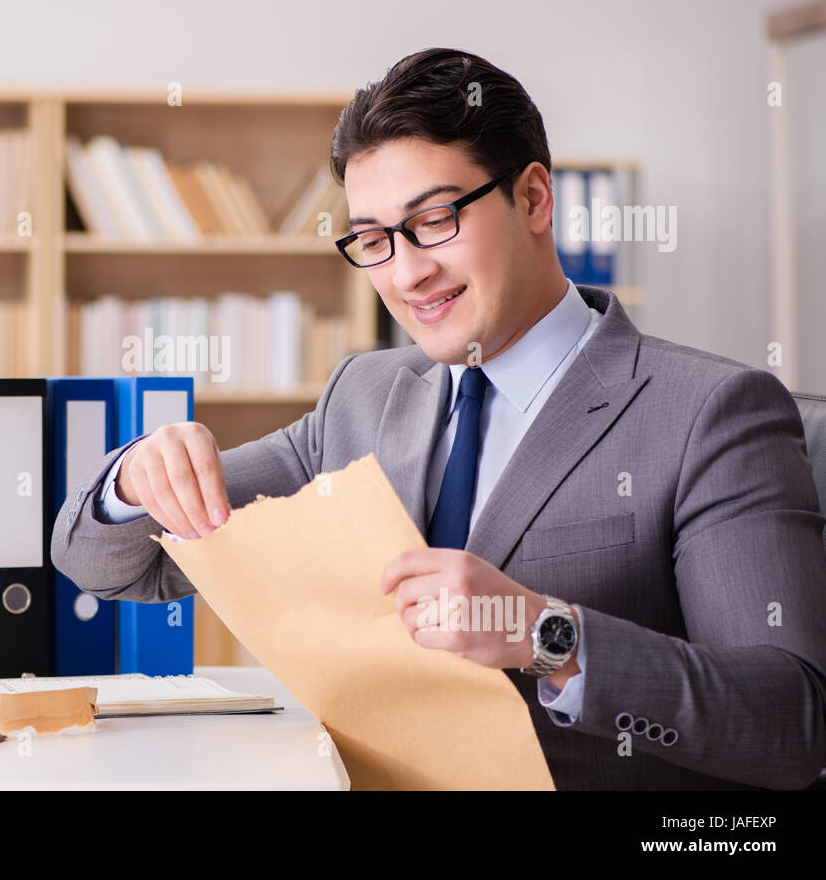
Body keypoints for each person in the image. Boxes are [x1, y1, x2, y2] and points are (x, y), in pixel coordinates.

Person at [48, 47, 826, 790]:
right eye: (375, 239)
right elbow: (117, 563)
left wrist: (547, 635)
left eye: (436, 219)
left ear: (533, 197)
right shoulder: (364, 395)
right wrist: (137, 477)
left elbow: (791, 720)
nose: (408, 271)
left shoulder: (709, 411)